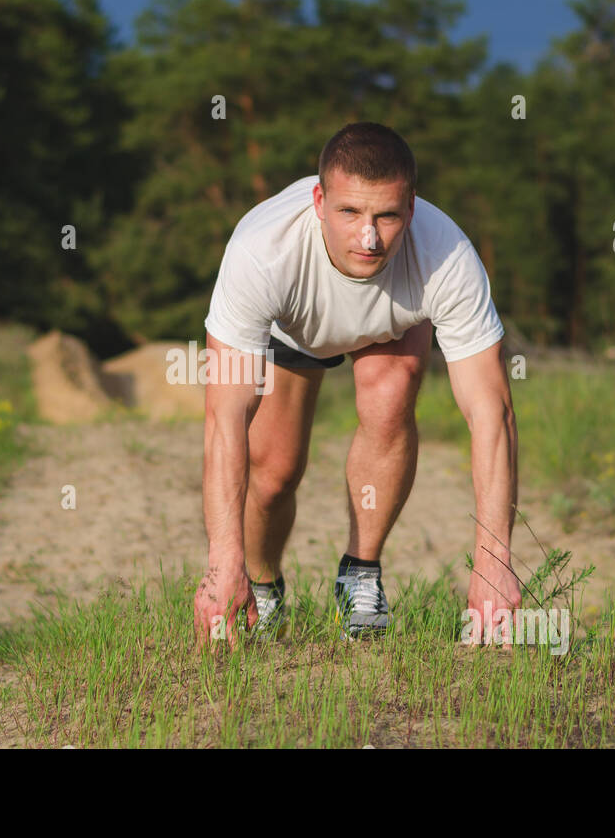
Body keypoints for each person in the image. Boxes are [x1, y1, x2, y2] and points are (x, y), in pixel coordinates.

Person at [193, 121, 520, 649]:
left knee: (391, 395)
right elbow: (224, 418)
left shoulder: (447, 257)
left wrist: (494, 564)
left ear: (410, 208)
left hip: (391, 321)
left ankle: (360, 573)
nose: (368, 238)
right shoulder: (261, 251)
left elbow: (492, 414)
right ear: (319, 199)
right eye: (349, 213)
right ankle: (259, 580)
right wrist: (221, 564)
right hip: (297, 324)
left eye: (387, 216)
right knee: (273, 472)